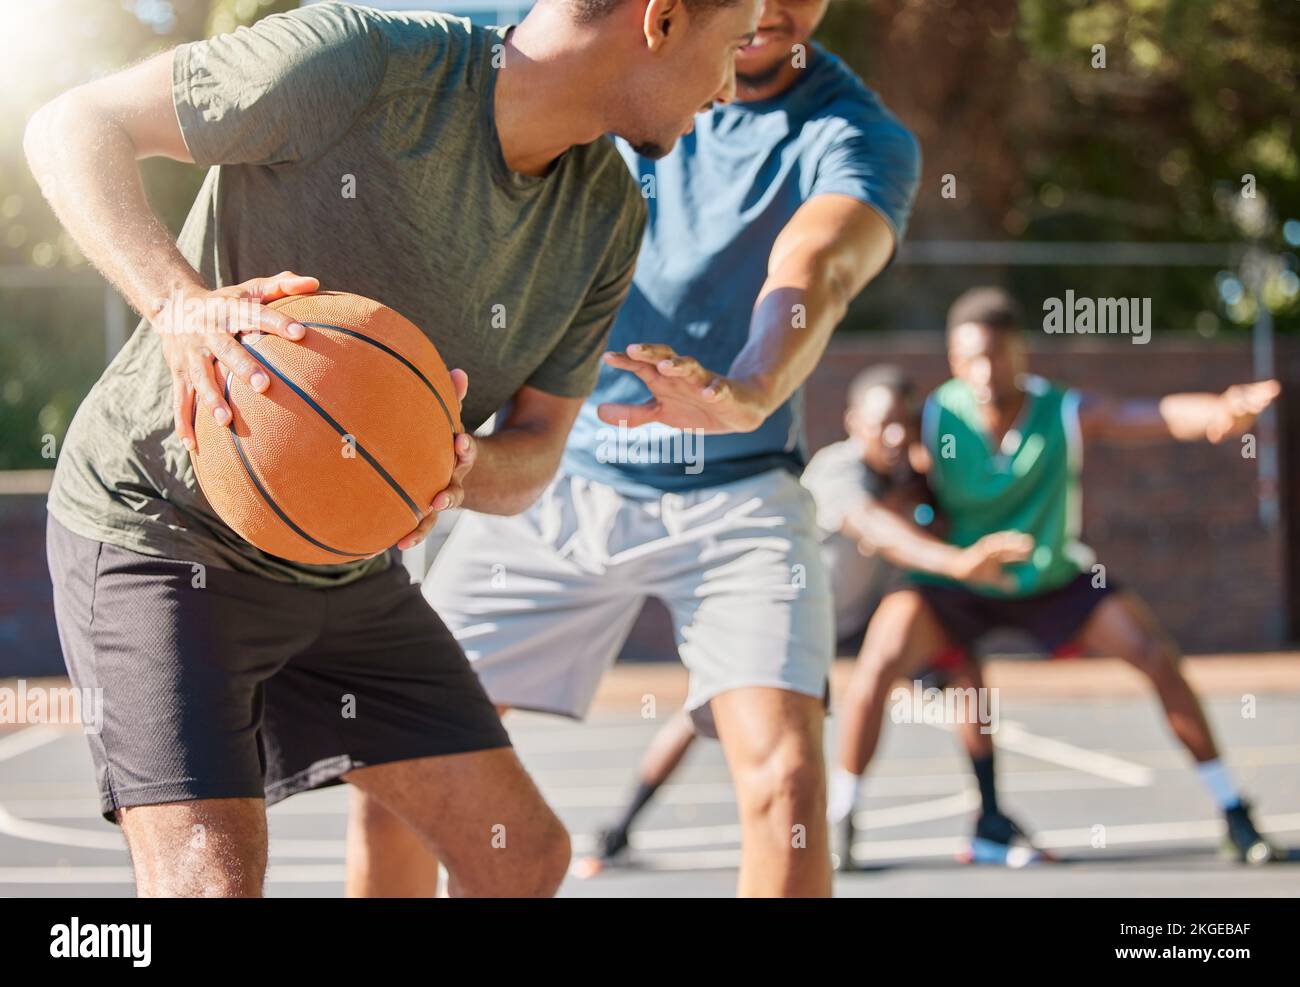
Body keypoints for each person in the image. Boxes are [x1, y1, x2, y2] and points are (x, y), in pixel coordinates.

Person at [27, 0, 761, 897]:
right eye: (730, 47)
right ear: (661, 19)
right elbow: (73, 124)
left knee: (521, 854)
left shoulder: (607, 216)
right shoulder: (361, 62)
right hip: (165, 530)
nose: (731, 86)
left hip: (343, 561)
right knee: (208, 883)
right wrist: (178, 302)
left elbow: (534, 451)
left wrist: (456, 470)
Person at [349, 0, 920, 898]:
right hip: (555, 468)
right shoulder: (591, 36)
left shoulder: (856, 133)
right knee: (401, 762)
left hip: (739, 490)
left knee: (787, 783)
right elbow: (381, 42)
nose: (769, 8)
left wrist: (752, 388)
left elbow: (817, 266)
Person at [829, 286, 1283, 869]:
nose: (983, 371)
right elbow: (887, 462)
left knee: (1152, 654)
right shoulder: (936, 418)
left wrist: (1217, 413)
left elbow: (1145, 415)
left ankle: (1234, 814)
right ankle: (842, 816)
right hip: (961, 580)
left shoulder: (1063, 412)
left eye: (994, 355)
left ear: (1018, 353)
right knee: (879, 657)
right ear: (952, 360)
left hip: (1051, 577)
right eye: (968, 358)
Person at [573, 365, 1032, 875]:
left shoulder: (913, 478)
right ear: (856, 423)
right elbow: (874, 527)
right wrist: (956, 561)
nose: (897, 437)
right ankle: (619, 829)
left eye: (906, 424)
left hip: (860, 621)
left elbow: (944, 512)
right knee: (701, 712)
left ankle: (989, 821)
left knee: (963, 670)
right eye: (885, 425)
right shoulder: (841, 471)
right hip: (793, 617)